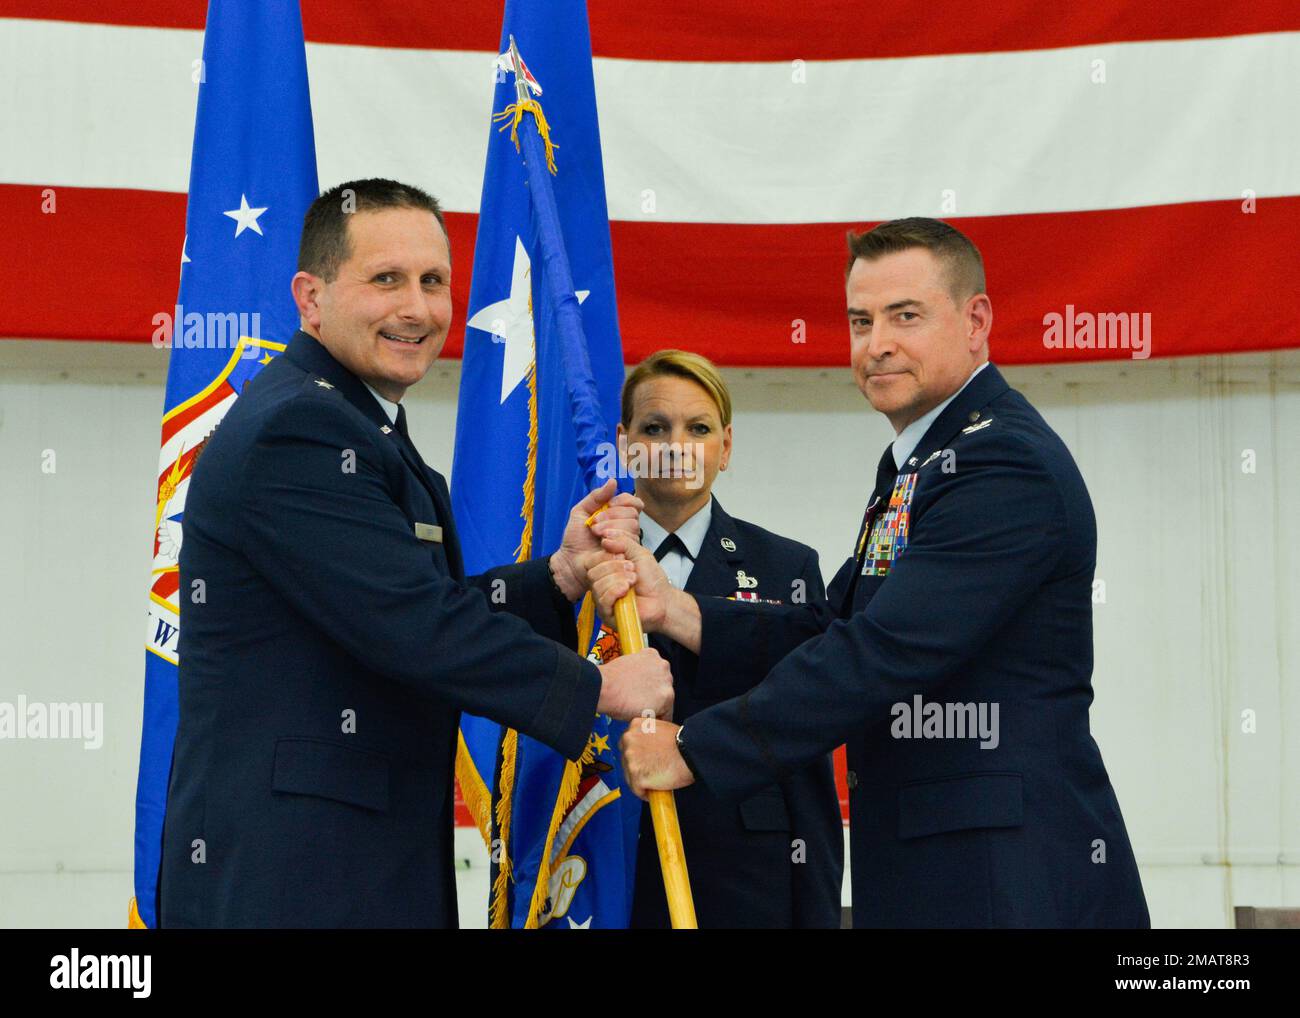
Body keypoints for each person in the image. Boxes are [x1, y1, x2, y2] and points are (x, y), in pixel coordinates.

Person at [156, 178, 672, 928]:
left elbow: (413, 602)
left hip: (347, 864)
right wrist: (594, 688)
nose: (418, 308)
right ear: (310, 296)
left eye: (434, 282)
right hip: (294, 880)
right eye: (386, 280)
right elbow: (414, 624)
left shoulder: (357, 422)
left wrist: (557, 579)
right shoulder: (300, 431)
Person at [606, 218, 1150, 928]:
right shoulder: (921, 461)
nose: (877, 344)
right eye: (861, 321)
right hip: (942, 864)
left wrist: (696, 748)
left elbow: (884, 650)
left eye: (906, 316)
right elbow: (833, 627)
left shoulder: (1001, 463)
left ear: (976, 319)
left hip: (1003, 876)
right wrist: (673, 609)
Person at [586, 351, 842, 928]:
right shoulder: (581, 568)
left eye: (698, 428)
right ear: (625, 443)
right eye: (655, 428)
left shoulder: (787, 568)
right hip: (598, 867)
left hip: (745, 883)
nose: (677, 444)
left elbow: (806, 753)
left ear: (725, 447)